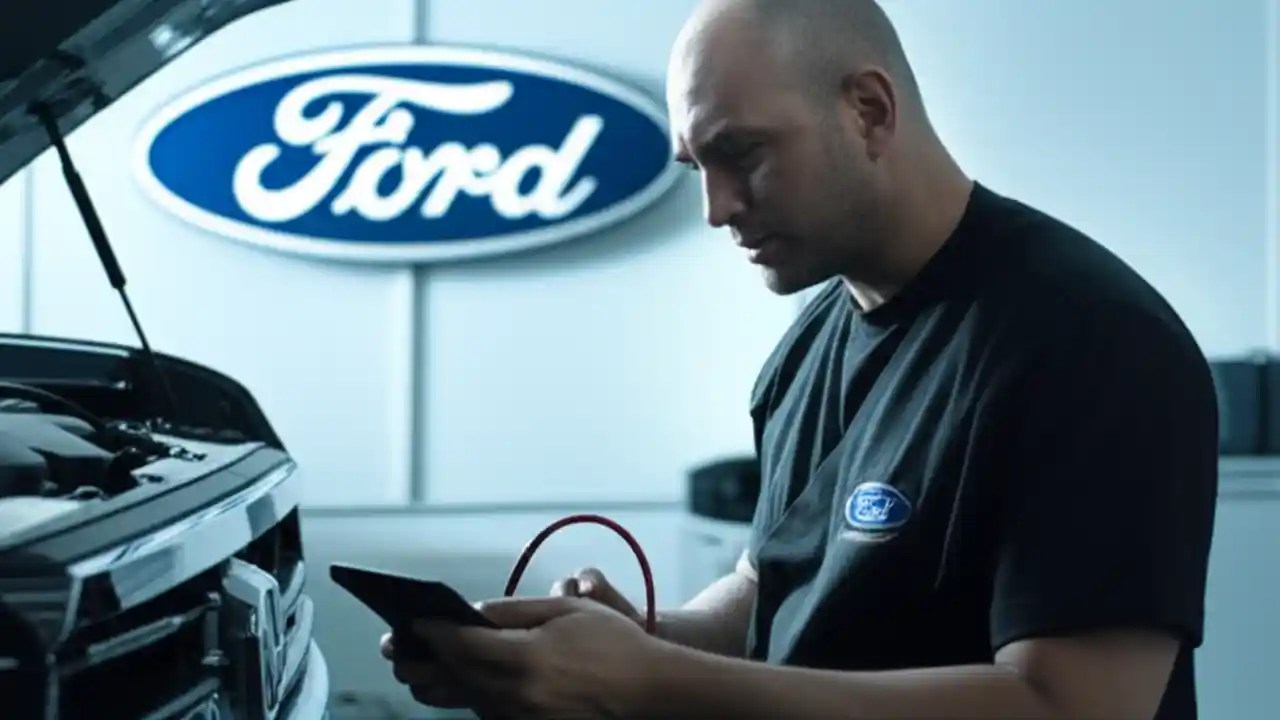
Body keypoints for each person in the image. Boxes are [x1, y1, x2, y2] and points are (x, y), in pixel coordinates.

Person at [381, 0, 1220, 717]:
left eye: (741, 153)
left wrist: (652, 684)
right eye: (697, 166)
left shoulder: (1092, 340)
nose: (716, 209)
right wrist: (633, 641)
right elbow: (770, 594)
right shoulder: (809, 345)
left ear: (870, 111)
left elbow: (1068, 707)